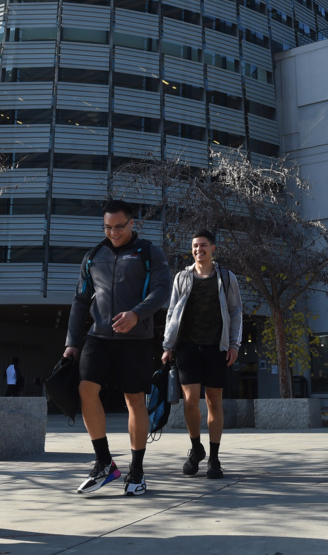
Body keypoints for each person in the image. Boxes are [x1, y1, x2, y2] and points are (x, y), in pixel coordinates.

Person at [64, 199, 169, 496]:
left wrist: (137, 313)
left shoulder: (149, 252)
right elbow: (81, 300)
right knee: (86, 390)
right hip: (98, 336)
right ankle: (104, 462)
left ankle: (136, 470)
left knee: (134, 399)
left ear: (132, 223)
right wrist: (72, 342)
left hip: (136, 339)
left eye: (119, 227)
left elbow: (163, 289)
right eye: (108, 227)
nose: (113, 232)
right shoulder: (93, 256)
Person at [161, 230, 242, 479]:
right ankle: (196, 448)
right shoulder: (182, 278)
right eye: (195, 246)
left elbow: (236, 311)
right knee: (189, 401)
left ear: (213, 248)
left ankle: (214, 459)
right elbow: (172, 312)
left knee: (214, 402)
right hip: (187, 347)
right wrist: (167, 345)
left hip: (215, 347)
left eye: (203, 245)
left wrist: (234, 344)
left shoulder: (226, 278)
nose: (199, 250)